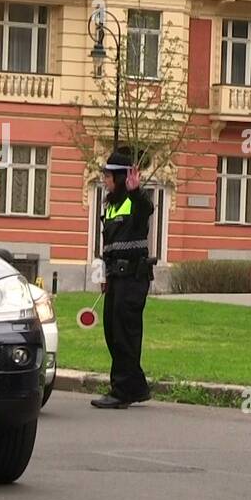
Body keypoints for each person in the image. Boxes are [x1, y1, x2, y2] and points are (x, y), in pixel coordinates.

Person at [90, 149, 155, 409]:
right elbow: (109, 245)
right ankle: (134, 387)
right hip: (116, 278)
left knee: (124, 334)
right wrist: (104, 274)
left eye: (107, 176)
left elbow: (147, 208)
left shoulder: (134, 201)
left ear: (119, 177)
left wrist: (136, 190)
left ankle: (123, 390)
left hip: (133, 278)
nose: (104, 180)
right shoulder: (111, 205)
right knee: (111, 331)